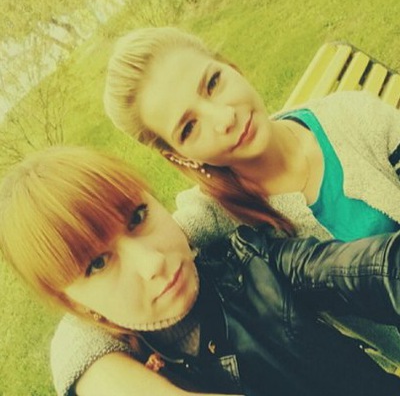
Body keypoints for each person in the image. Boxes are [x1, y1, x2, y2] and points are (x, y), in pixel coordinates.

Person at [101, 25, 400, 373]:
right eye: (189, 127)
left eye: (213, 83)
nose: (225, 118)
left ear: (231, 66)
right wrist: (98, 377)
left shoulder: (354, 115)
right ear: (180, 157)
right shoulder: (214, 218)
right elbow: (86, 321)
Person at [1, 146, 400, 396]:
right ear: (75, 304)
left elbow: (376, 271)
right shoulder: (113, 375)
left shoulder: (251, 261)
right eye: (98, 264)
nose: (153, 263)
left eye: (138, 216)